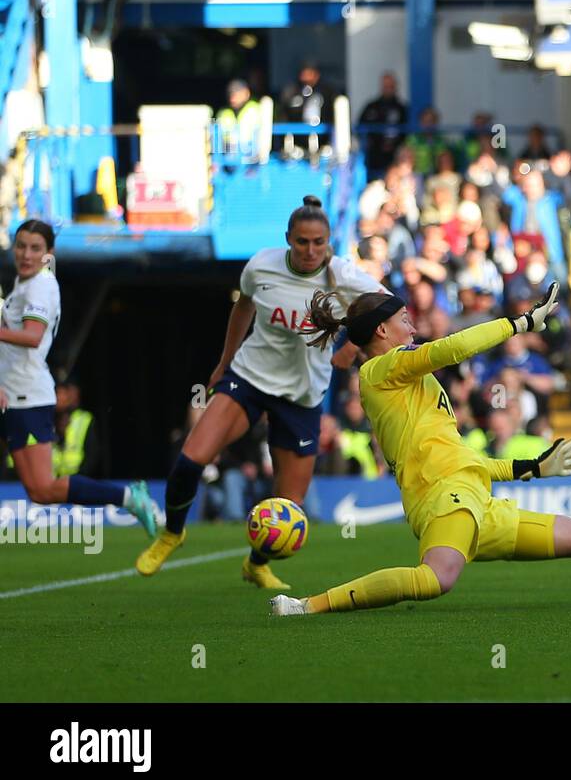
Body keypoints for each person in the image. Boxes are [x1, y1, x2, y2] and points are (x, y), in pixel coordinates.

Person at [267, 284, 571, 616]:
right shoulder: (380, 371)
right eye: (402, 318)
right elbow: (449, 348)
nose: (412, 324)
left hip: (475, 500)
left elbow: (461, 458)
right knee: (437, 579)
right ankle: (308, 606)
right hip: (446, 499)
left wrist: (530, 467)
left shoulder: (405, 380)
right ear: (381, 331)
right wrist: (518, 323)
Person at [135, 196, 386, 588]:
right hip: (250, 378)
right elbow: (244, 307)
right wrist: (224, 361)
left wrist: (351, 347)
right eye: (302, 242)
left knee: (289, 506)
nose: (310, 250)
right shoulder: (261, 265)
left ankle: (256, 564)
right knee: (191, 459)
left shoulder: (345, 277)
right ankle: (172, 533)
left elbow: (386, 307)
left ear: (328, 241)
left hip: (302, 396)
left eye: (318, 242)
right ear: (288, 239)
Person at [0, 220, 155, 532]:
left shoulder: (41, 286)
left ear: (49, 254)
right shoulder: (23, 285)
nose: (26, 254)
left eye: (36, 248)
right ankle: (127, 496)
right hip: (13, 392)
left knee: (44, 489)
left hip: (27, 397)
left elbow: (32, 336)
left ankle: (127, 496)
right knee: (39, 491)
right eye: (21, 246)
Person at [358, 71, 409, 181]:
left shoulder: (402, 108)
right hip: (374, 155)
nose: (388, 88)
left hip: (394, 155)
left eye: (390, 86)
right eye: (385, 86)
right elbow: (360, 127)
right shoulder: (371, 107)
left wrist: (395, 145)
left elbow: (407, 132)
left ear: (395, 86)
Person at [215, 79, 264, 163]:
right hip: (229, 153)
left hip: (252, 153)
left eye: (236, 93)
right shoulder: (223, 112)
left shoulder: (256, 108)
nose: (233, 97)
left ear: (246, 93)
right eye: (231, 93)